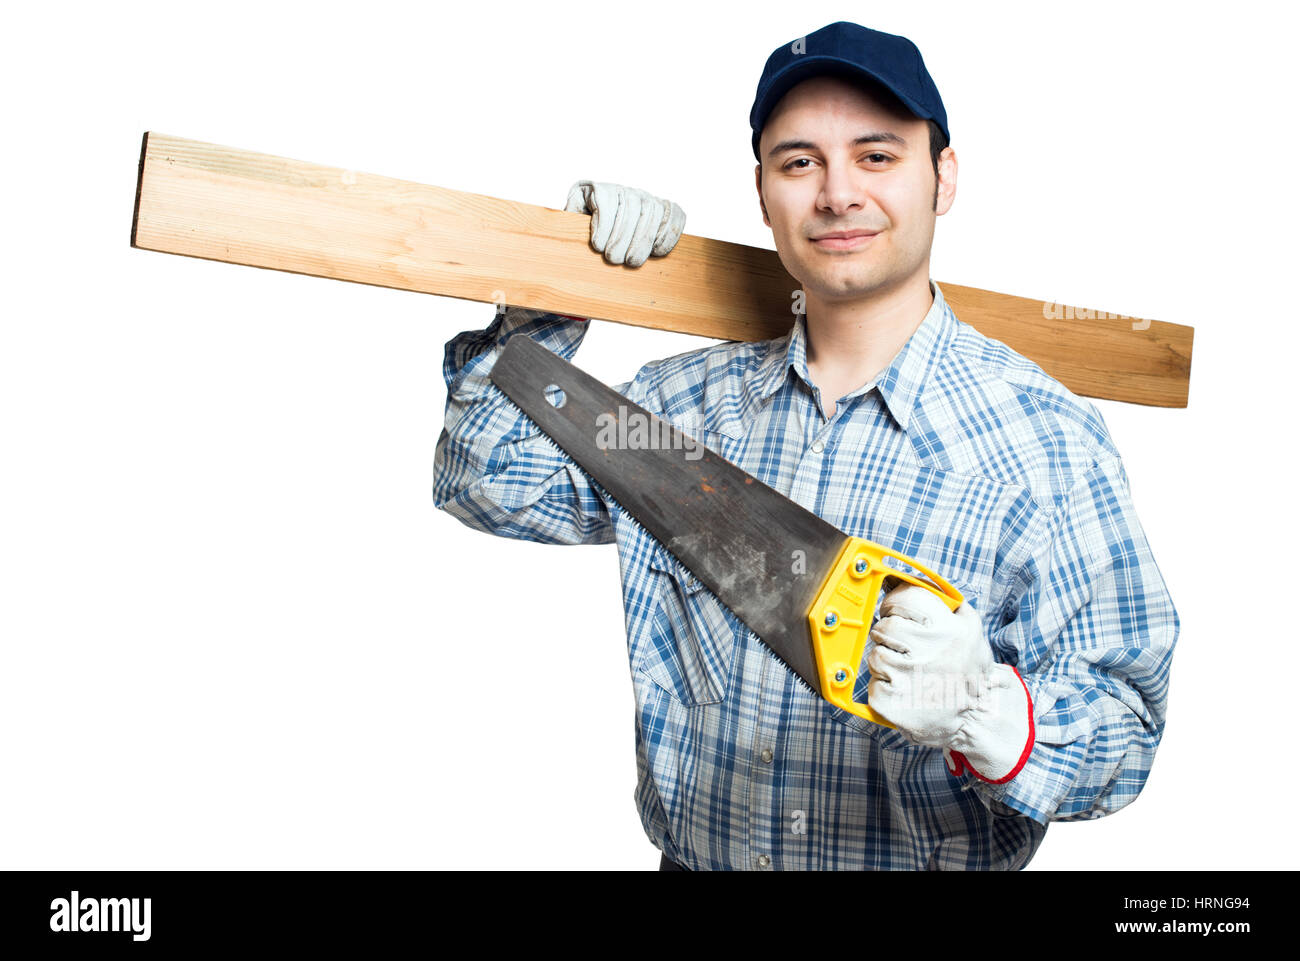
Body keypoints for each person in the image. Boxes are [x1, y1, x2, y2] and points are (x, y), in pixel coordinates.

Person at [432, 21, 1179, 870]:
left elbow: (1126, 730)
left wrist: (991, 714)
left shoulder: (1046, 442)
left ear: (944, 177)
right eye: (799, 162)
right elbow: (483, 480)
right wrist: (549, 287)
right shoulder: (679, 408)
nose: (836, 194)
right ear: (763, 194)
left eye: (877, 156)